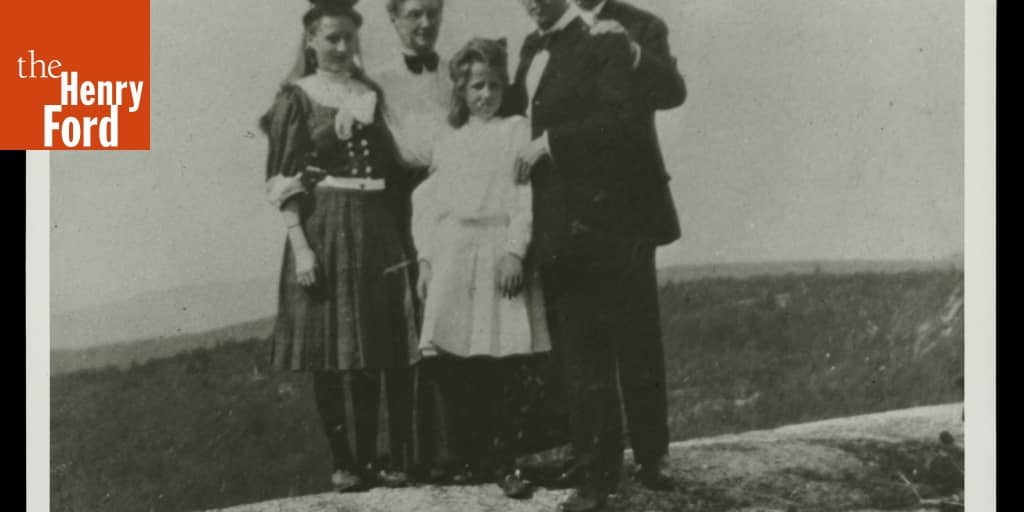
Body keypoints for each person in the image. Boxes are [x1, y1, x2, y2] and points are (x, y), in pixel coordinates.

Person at [259, 0, 420, 493]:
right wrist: (302, 248)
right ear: (310, 39)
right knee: (330, 350)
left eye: (350, 38)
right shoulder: (296, 98)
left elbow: (396, 164)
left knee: (370, 344)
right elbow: (281, 179)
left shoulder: (370, 92)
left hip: (375, 226)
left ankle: (373, 458)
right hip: (324, 227)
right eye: (332, 38)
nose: (342, 48)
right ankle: (344, 460)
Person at [504, 0, 656, 509]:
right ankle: (589, 461)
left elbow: (621, 125)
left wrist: (550, 144)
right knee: (570, 355)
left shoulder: (603, 42)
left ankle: (600, 480)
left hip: (589, 226)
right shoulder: (530, 48)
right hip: (546, 225)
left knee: (589, 353)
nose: (531, 3)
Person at [551, 0, 686, 491]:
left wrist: (631, 51)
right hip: (570, 207)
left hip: (629, 208)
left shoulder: (644, 26)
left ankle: (653, 455)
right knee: (581, 344)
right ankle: (592, 454)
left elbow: (673, 91)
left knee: (638, 336)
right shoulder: (553, 28)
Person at [411, 37, 553, 499]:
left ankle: (506, 459)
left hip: (496, 248)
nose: (485, 95)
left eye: (493, 85)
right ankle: (467, 456)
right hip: (454, 249)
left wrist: (515, 250)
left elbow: (522, 196)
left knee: (501, 358)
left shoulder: (515, 129)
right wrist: (427, 259)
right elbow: (427, 202)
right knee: (457, 358)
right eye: (476, 86)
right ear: (461, 90)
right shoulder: (449, 138)